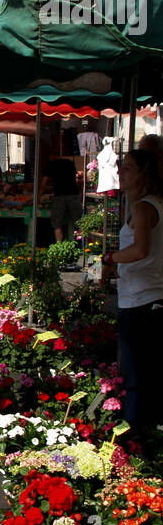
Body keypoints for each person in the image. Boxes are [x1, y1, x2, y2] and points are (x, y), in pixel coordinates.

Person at [101, 149, 163, 435]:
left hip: (140, 300)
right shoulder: (154, 205)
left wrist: (111, 258)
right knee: (148, 374)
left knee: (135, 376)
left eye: (127, 168)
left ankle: (134, 439)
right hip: (150, 296)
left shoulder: (142, 208)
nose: (120, 172)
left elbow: (140, 249)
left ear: (143, 174)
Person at [40, 149, 81, 242]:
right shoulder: (69, 162)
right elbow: (76, 179)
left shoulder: (50, 165)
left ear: (50, 156)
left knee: (57, 224)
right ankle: (81, 246)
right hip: (73, 195)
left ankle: (59, 247)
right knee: (79, 223)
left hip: (59, 196)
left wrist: (38, 197)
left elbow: (43, 184)